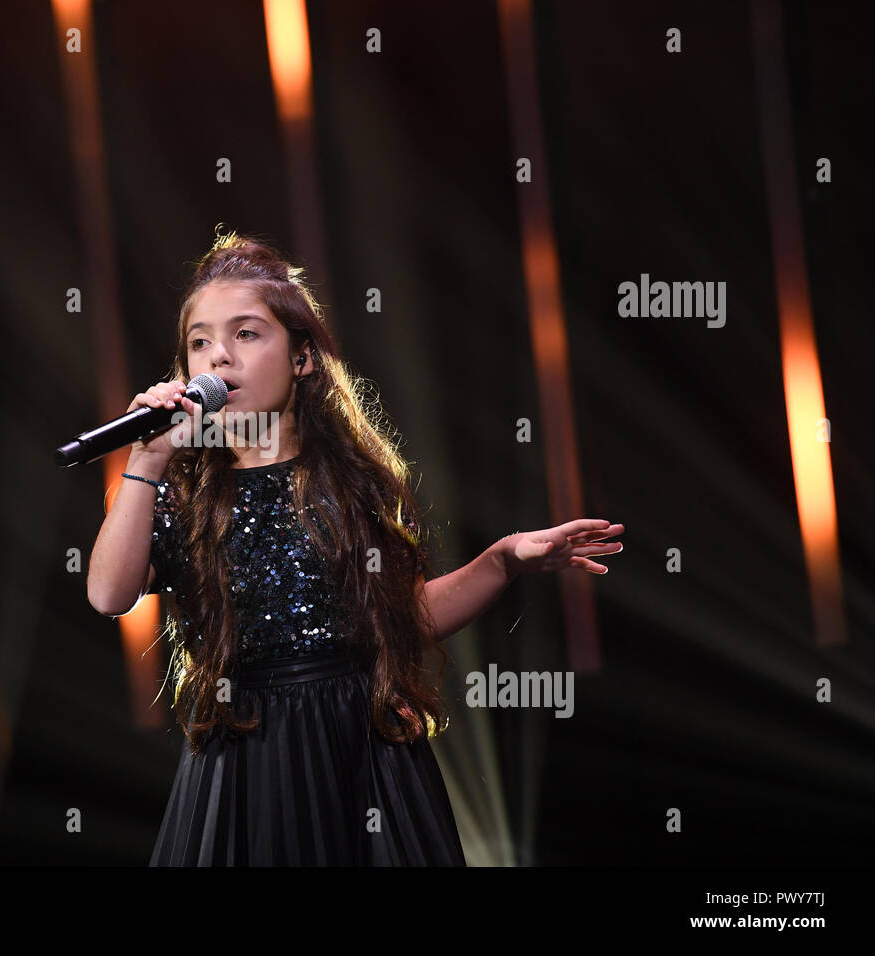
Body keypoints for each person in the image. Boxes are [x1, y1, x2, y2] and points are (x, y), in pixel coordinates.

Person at [86, 230, 624, 866]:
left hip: (358, 752)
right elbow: (108, 593)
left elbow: (403, 619)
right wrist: (146, 460)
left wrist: (502, 560)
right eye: (199, 342)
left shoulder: (349, 482)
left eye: (247, 334)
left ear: (302, 358)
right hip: (243, 755)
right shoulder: (187, 496)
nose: (218, 357)